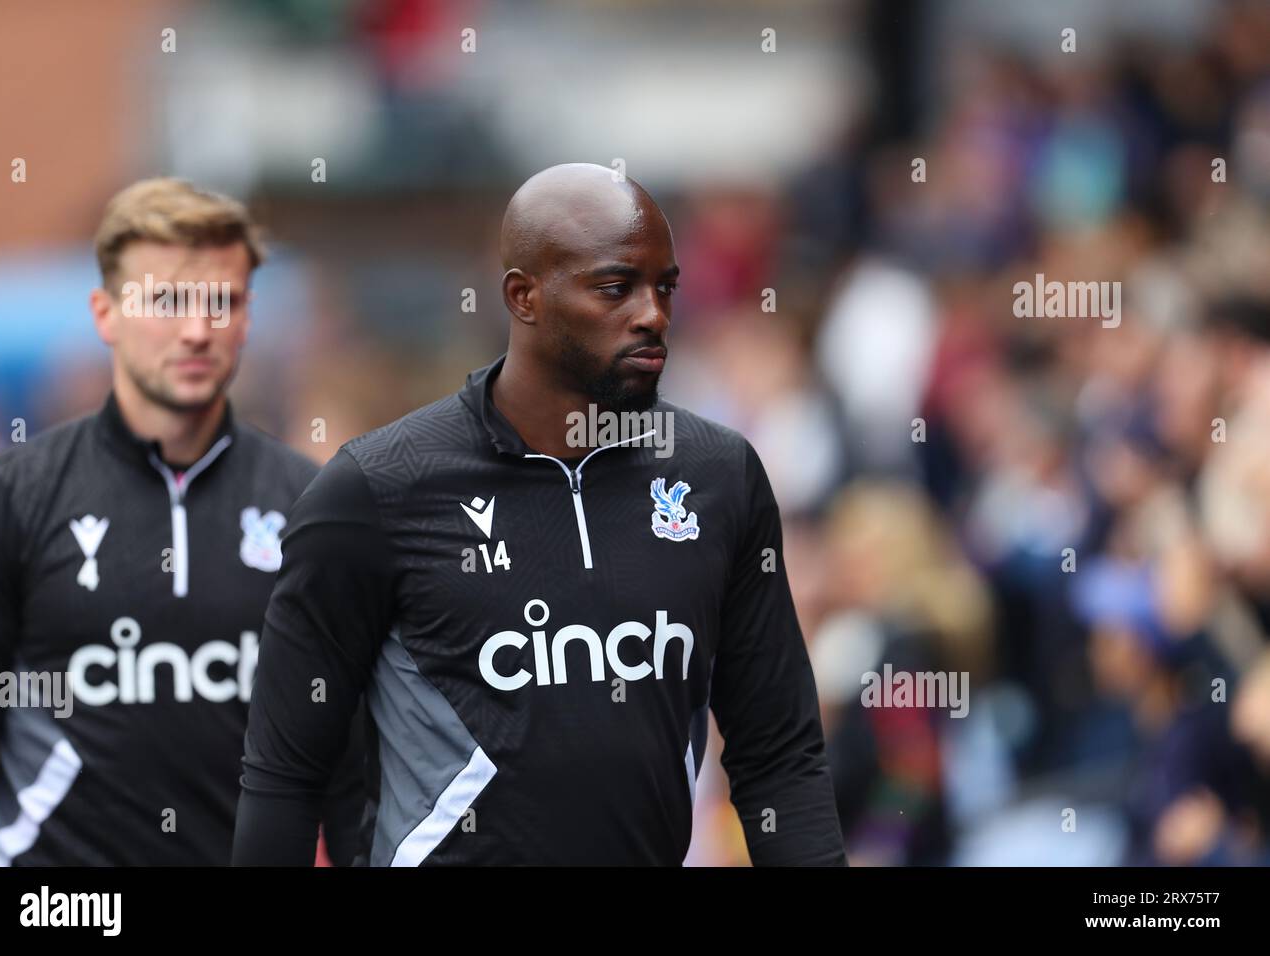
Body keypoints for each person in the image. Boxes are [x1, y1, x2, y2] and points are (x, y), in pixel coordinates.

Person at [234, 163, 845, 865]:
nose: (653, 314)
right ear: (523, 298)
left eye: (666, 287)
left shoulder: (718, 477)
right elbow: (284, 773)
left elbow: (779, 757)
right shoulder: (373, 491)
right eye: (617, 287)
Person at [0, 178, 359, 865]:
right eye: (167, 300)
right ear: (105, 314)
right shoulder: (9, 499)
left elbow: (354, 773)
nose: (196, 329)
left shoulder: (313, 504)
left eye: (222, 302)